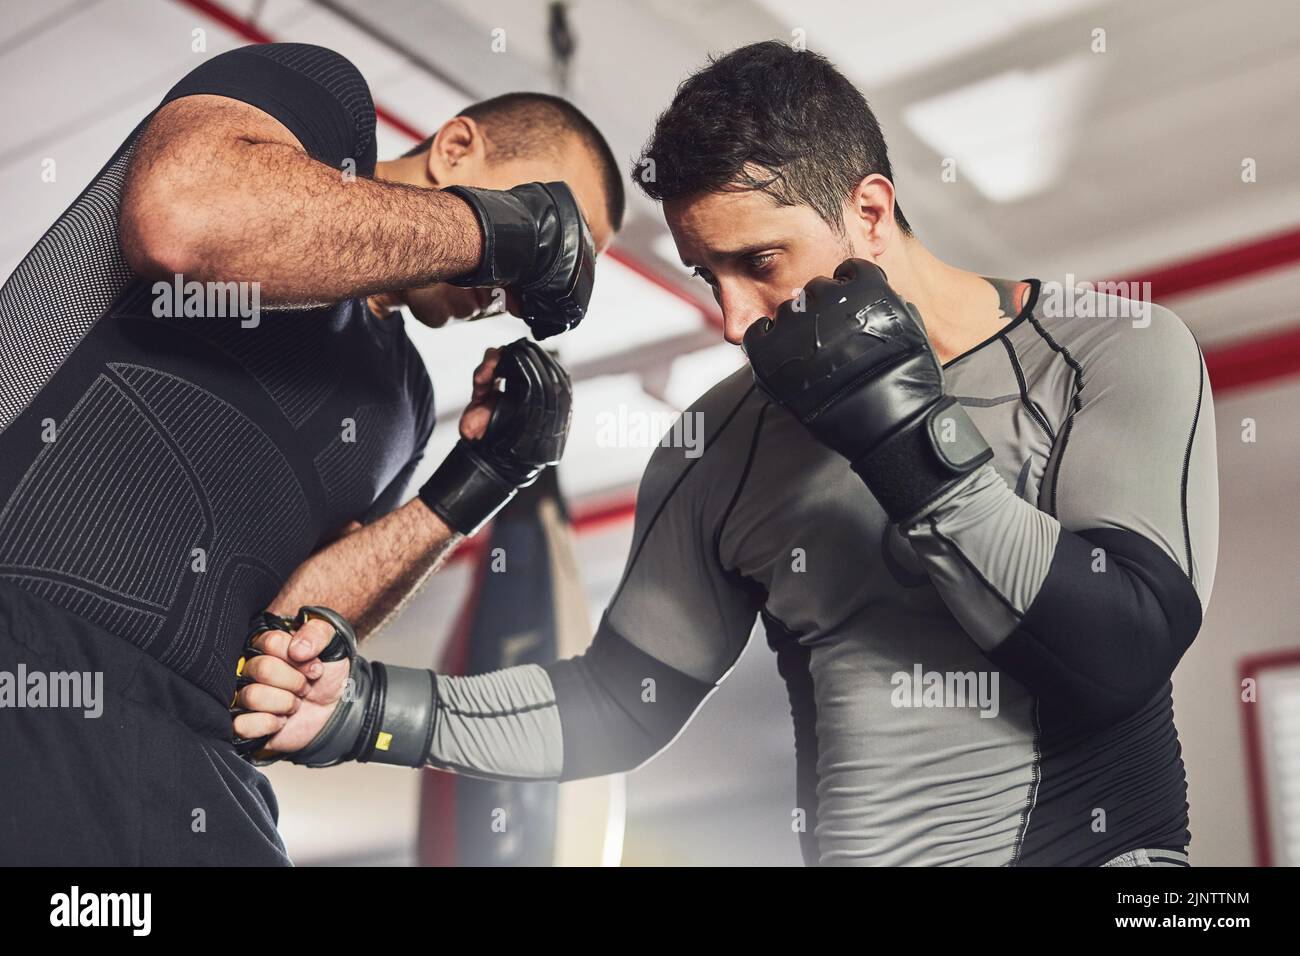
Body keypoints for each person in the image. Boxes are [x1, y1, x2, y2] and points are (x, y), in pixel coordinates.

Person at [232, 41, 1217, 867]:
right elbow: (619, 701)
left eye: (759, 263)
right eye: (708, 275)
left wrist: (905, 438)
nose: (734, 317)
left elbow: (1120, 653)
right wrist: (367, 709)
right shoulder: (723, 441)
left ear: (869, 212)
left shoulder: (1106, 350)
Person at [0, 41, 623, 865]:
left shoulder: (401, 400)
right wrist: (503, 232)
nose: (529, 285)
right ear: (456, 147)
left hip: (190, 752)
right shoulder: (320, 105)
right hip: (30, 649)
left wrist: (479, 482)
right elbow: (183, 216)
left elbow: (287, 639)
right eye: (551, 217)